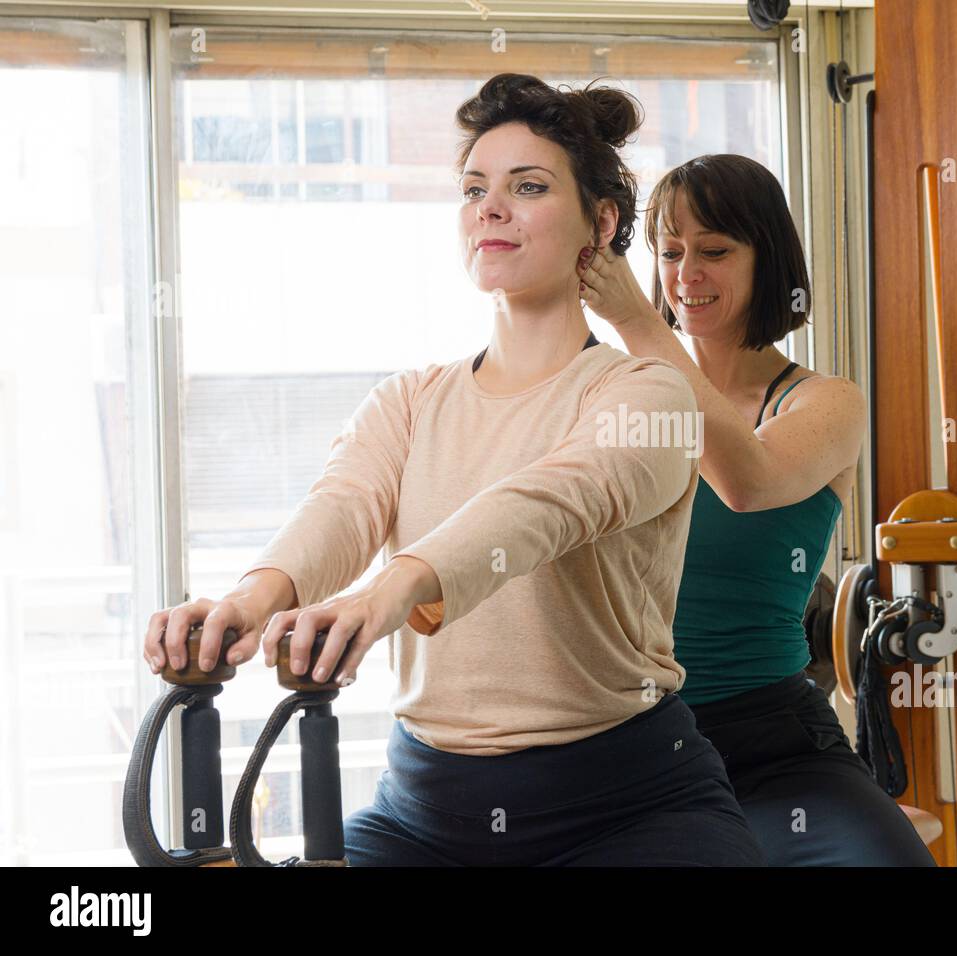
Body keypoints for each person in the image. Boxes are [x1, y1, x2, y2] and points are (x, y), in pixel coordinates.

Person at [141, 74, 763, 867]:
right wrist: (249, 603)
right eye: (475, 189)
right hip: (424, 817)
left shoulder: (648, 394)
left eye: (527, 187)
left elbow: (551, 501)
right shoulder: (409, 400)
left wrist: (387, 595)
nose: (490, 209)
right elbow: (345, 505)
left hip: (629, 809)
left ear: (600, 223)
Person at [577, 153, 935, 866]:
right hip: (634, 742)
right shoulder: (619, 395)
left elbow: (748, 479)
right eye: (671, 252)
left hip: (774, 744)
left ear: (766, 259)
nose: (686, 275)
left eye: (714, 251)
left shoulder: (828, 402)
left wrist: (633, 320)